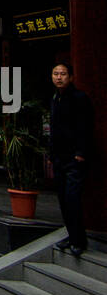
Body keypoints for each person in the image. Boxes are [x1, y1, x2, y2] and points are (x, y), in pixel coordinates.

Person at [49, 60, 94, 257]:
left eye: (63, 74)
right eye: (56, 74)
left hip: (74, 158)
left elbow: (86, 127)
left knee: (73, 198)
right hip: (59, 157)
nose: (59, 77)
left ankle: (79, 241)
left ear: (71, 77)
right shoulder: (55, 98)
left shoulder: (79, 98)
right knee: (63, 200)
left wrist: (81, 153)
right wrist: (51, 155)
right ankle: (71, 235)